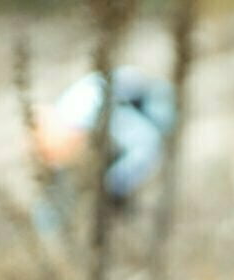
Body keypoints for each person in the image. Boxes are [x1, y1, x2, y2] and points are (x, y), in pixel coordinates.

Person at [28, 66, 175, 238]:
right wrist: (114, 185)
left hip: (126, 105)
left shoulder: (93, 110)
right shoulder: (84, 116)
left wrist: (114, 184)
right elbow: (146, 145)